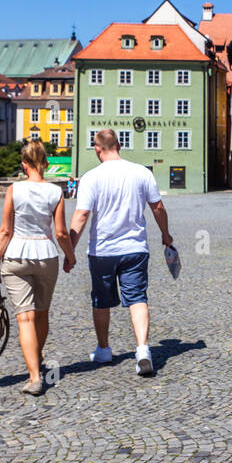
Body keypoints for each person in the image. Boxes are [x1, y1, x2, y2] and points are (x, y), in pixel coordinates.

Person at [69, 128, 172, 378]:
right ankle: (143, 351)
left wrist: (68, 250)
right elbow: (157, 207)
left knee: (101, 300)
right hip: (135, 248)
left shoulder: (91, 177)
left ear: (97, 148)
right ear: (119, 145)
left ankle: (104, 349)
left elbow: (81, 215)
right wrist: (166, 235)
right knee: (137, 298)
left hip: (102, 250)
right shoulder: (141, 172)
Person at [0, 140, 75, 396]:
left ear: (24, 164)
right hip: (46, 255)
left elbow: (5, 231)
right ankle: (37, 357)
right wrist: (70, 256)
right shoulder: (55, 192)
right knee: (42, 313)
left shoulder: (13, 190)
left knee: (25, 317)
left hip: (16, 256)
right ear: (46, 163)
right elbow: (60, 233)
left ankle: (35, 376)